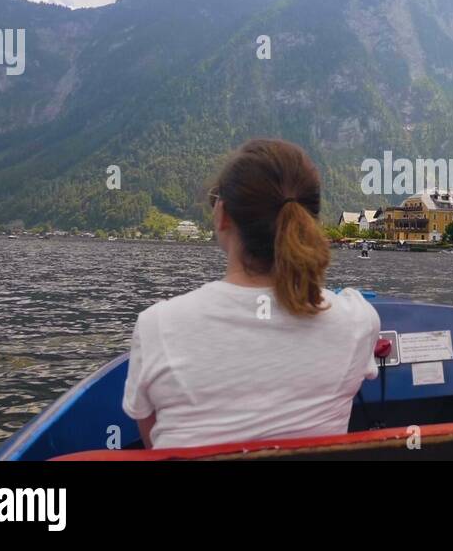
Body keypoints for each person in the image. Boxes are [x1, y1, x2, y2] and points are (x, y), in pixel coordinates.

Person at [122, 139, 381, 449]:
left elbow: (153, 443)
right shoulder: (357, 320)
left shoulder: (157, 326)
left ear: (222, 213)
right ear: (308, 220)